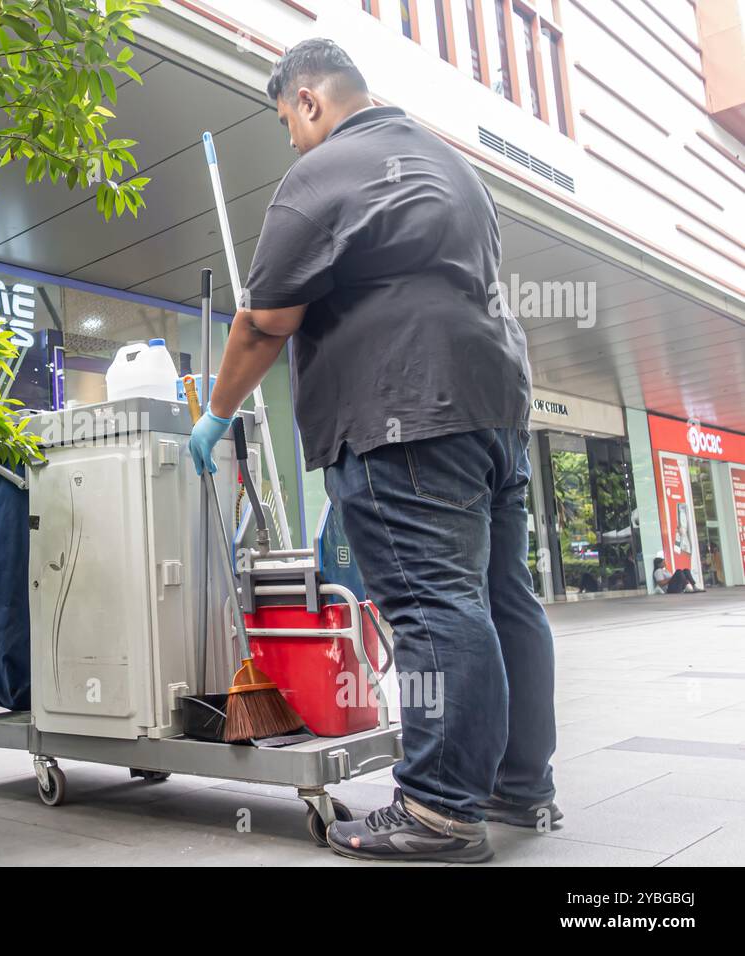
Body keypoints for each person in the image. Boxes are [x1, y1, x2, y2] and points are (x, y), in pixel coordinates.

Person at [187, 39, 558, 863]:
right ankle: (521, 785)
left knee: (433, 604)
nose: (292, 141)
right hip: (494, 410)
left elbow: (263, 321)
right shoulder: (448, 163)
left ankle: (437, 810)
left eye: (290, 122)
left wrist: (215, 415)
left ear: (310, 101)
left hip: (406, 413)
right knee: (501, 597)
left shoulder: (324, 173)